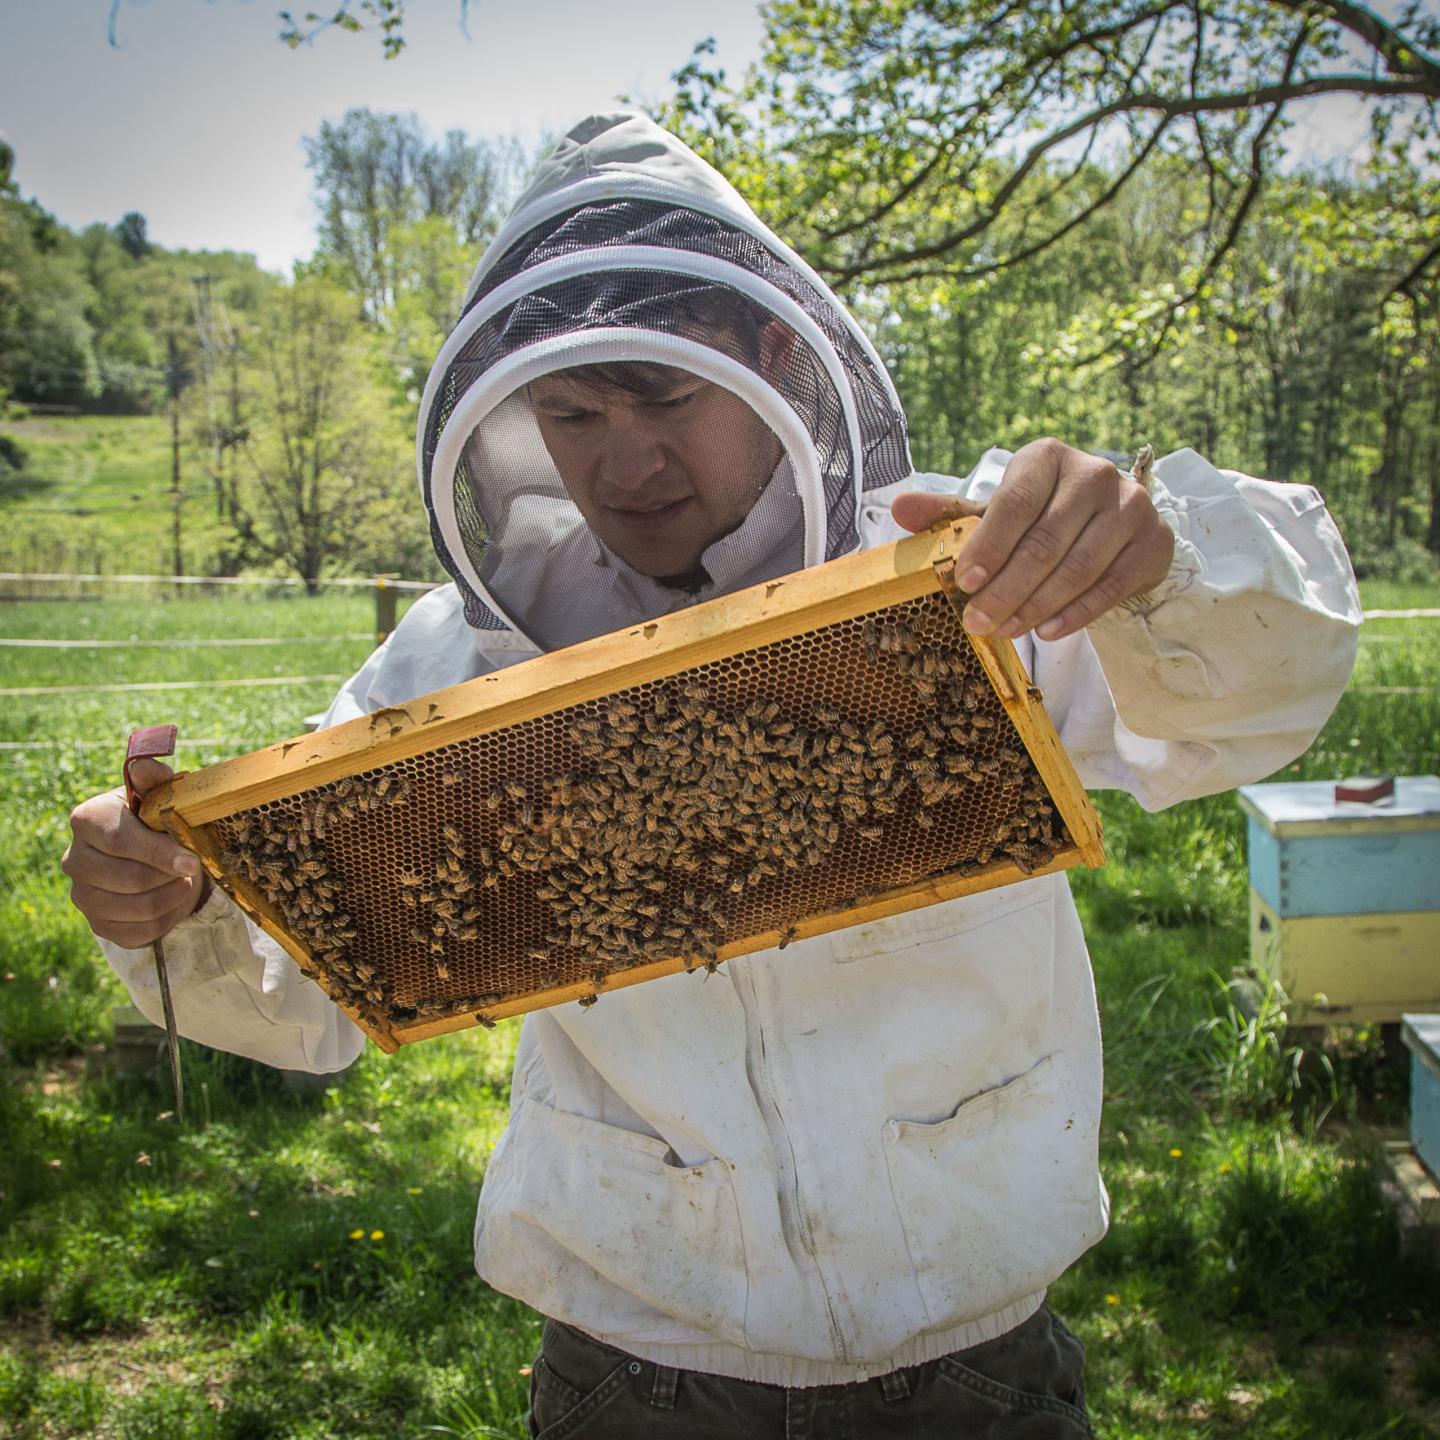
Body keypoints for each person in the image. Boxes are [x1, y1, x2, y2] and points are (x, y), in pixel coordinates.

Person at [63, 113, 1361, 1437]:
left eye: (667, 398)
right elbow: (301, 991)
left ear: (774, 357)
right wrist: (176, 902)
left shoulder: (961, 562)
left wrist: (1154, 563)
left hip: (974, 1362)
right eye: (571, 414)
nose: (623, 464)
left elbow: (1269, 694)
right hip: (636, 1370)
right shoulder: (460, 663)